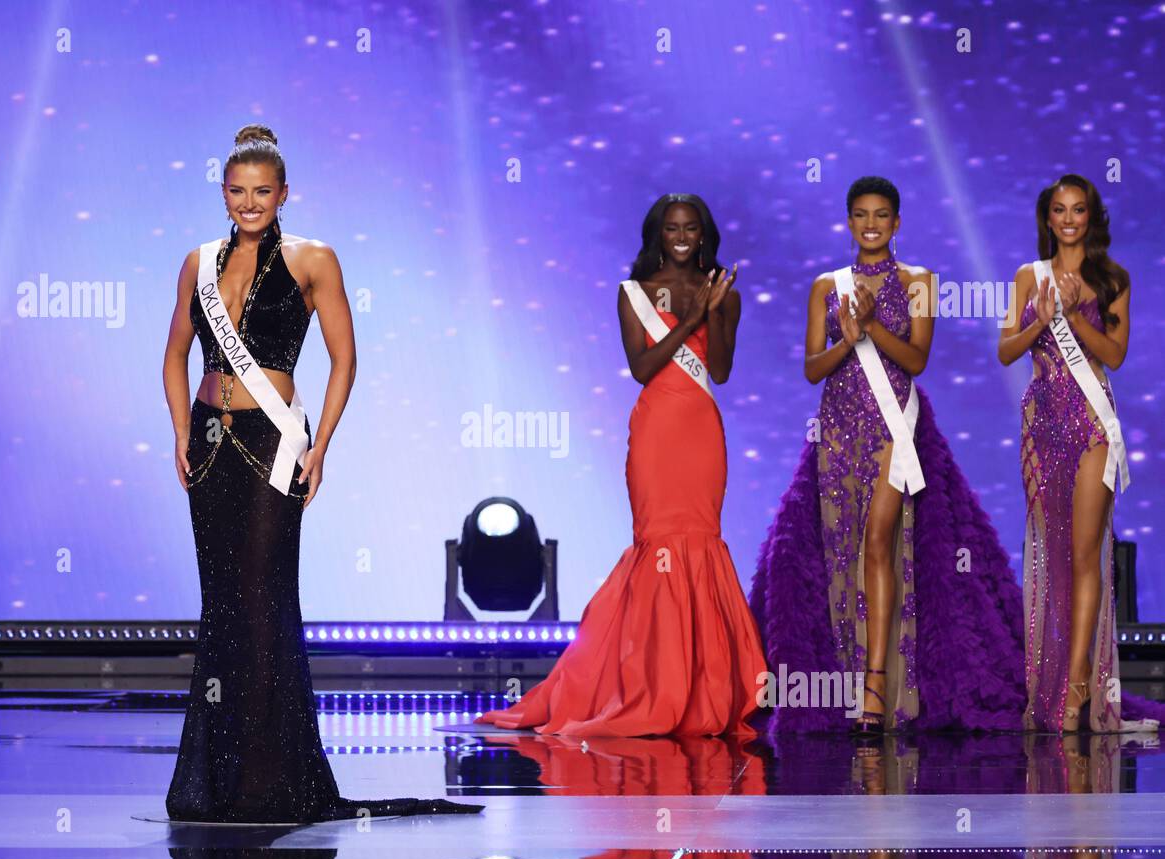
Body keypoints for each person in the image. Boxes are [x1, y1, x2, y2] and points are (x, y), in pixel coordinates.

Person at [161, 124, 480, 822]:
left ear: (283, 194)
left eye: (262, 192)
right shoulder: (198, 262)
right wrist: (182, 432)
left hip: (277, 442)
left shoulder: (315, 260)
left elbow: (345, 359)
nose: (249, 204)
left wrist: (320, 446)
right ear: (223, 193)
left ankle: (274, 778)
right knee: (221, 607)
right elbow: (175, 351)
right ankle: (217, 780)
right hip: (212, 442)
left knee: (265, 597)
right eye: (238, 192)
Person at [478, 194, 767, 737]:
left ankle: (700, 692)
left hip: (702, 429)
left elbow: (722, 371)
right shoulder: (632, 293)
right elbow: (642, 367)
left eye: (691, 228)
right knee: (657, 546)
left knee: (700, 541)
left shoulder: (724, 293)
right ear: (658, 234)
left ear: (703, 234)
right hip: (658, 429)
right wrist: (693, 319)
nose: (681, 236)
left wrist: (719, 312)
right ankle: (647, 688)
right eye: (671, 228)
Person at [750, 176, 1026, 736]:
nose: (870, 224)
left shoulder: (919, 281)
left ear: (897, 222)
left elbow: (917, 359)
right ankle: (851, 678)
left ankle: (877, 685)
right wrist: (848, 339)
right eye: (860, 215)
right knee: (842, 552)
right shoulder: (826, 287)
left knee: (880, 541)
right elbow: (810, 368)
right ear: (848, 222)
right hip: (838, 427)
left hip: (893, 424)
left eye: (881, 215)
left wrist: (872, 324)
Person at [998, 173, 1162, 734]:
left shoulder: (1112, 279)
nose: (1069, 219)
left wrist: (1069, 318)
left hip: (1092, 425)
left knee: (1086, 554)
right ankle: (1048, 684)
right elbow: (1004, 350)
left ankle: (1075, 693)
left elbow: (1114, 355)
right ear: (1048, 218)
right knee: (1051, 556)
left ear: (1091, 217)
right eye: (1060, 211)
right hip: (1041, 426)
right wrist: (1042, 319)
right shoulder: (1029, 277)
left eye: (1079, 210)